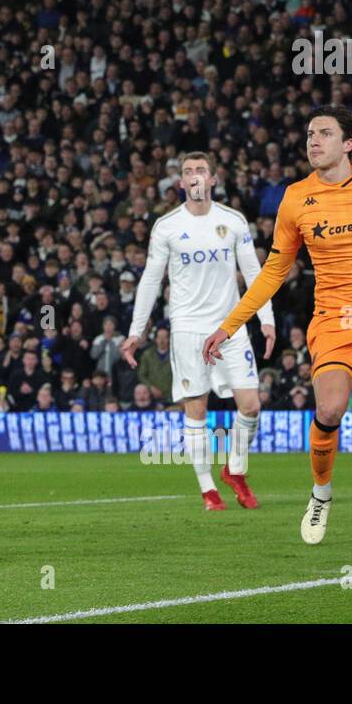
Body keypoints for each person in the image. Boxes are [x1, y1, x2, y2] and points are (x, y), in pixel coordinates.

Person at [203, 106, 352, 545]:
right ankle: (321, 493)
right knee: (330, 409)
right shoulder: (296, 197)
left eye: (324, 133)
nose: (312, 141)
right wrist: (229, 325)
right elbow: (275, 270)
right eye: (309, 134)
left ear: (348, 143)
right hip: (335, 318)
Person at [122, 151, 275, 511]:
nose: (194, 177)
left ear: (213, 180)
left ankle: (234, 469)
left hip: (231, 327)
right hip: (189, 329)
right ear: (180, 183)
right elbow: (150, 281)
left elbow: (255, 275)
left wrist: (266, 318)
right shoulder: (167, 227)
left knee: (250, 406)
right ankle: (208, 490)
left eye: (201, 171)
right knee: (196, 409)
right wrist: (135, 330)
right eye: (188, 172)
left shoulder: (234, 221)